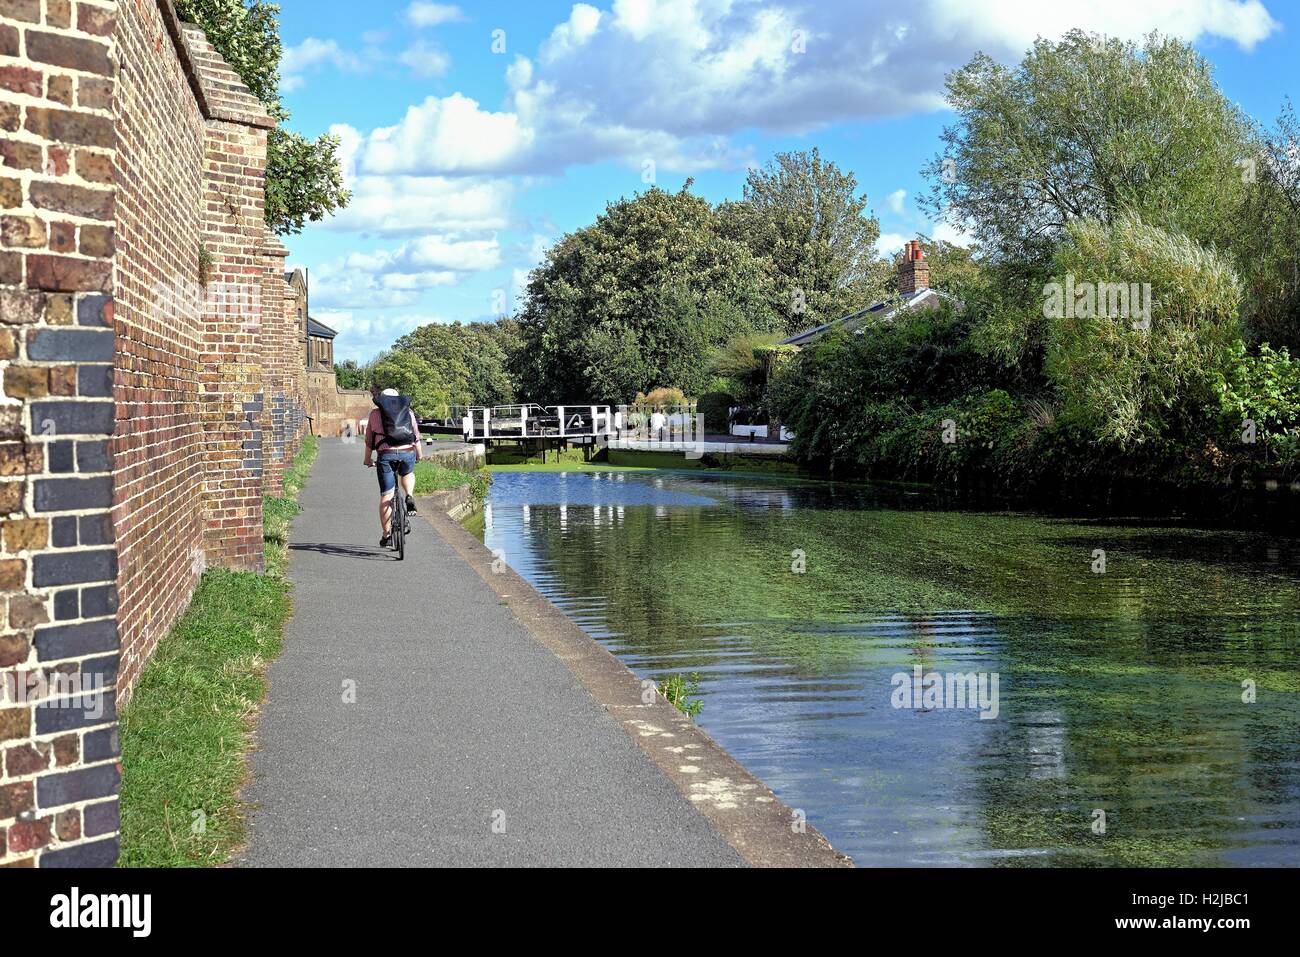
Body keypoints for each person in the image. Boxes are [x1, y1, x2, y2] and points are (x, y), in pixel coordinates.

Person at [363, 387, 423, 547]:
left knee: (386, 496)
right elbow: (416, 436)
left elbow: (369, 440)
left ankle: (387, 534)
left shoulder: (375, 414)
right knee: (407, 472)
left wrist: (367, 459)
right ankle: (409, 495)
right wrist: (419, 454)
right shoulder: (408, 412)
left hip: (386, 455)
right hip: (407, 451)